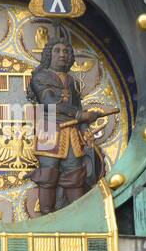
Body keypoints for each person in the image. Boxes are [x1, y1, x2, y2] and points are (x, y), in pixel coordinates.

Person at [26, 28, 115, 214]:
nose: (62, 55)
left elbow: (79, 107)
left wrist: (84, 129)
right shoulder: (40, 77)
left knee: (75, 174)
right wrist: (80, 116)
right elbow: (50, 103)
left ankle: (76, 214)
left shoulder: (72, 81)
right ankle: (46, 215)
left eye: (66, 51)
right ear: (49, 55)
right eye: (57, 51)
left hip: (72, 133)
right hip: (49, 130)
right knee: (48, 175)